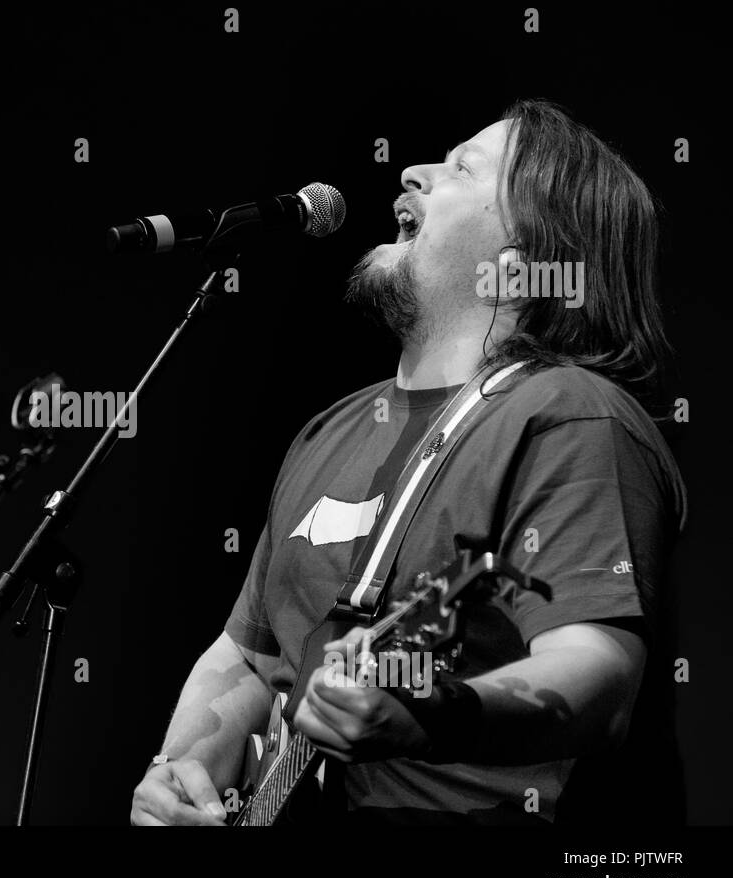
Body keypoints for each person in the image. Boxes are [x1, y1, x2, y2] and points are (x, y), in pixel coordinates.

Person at [130, 99, 687, 826]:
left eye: (461, 167)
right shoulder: (328, 430)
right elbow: (249, 658)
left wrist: (433, 713)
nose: (412, 172)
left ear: (522, 262)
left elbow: (598, 674)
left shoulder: (567, 417)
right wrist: (183, 772)